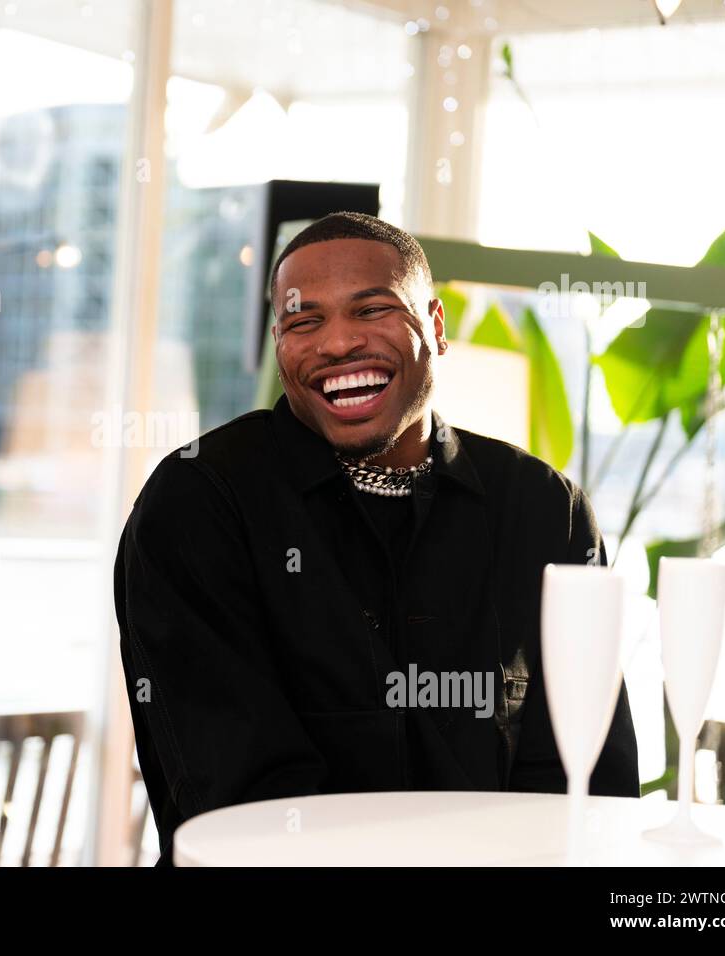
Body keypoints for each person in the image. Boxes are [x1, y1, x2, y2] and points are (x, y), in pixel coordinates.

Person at [116, 211, 639, 863]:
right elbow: (240, 798)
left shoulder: (542, 509)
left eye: (371, 311)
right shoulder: (202, 503)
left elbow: (587, 782)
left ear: (437, 327)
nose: (336, 345)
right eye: (304, 322)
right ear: (279, 343)